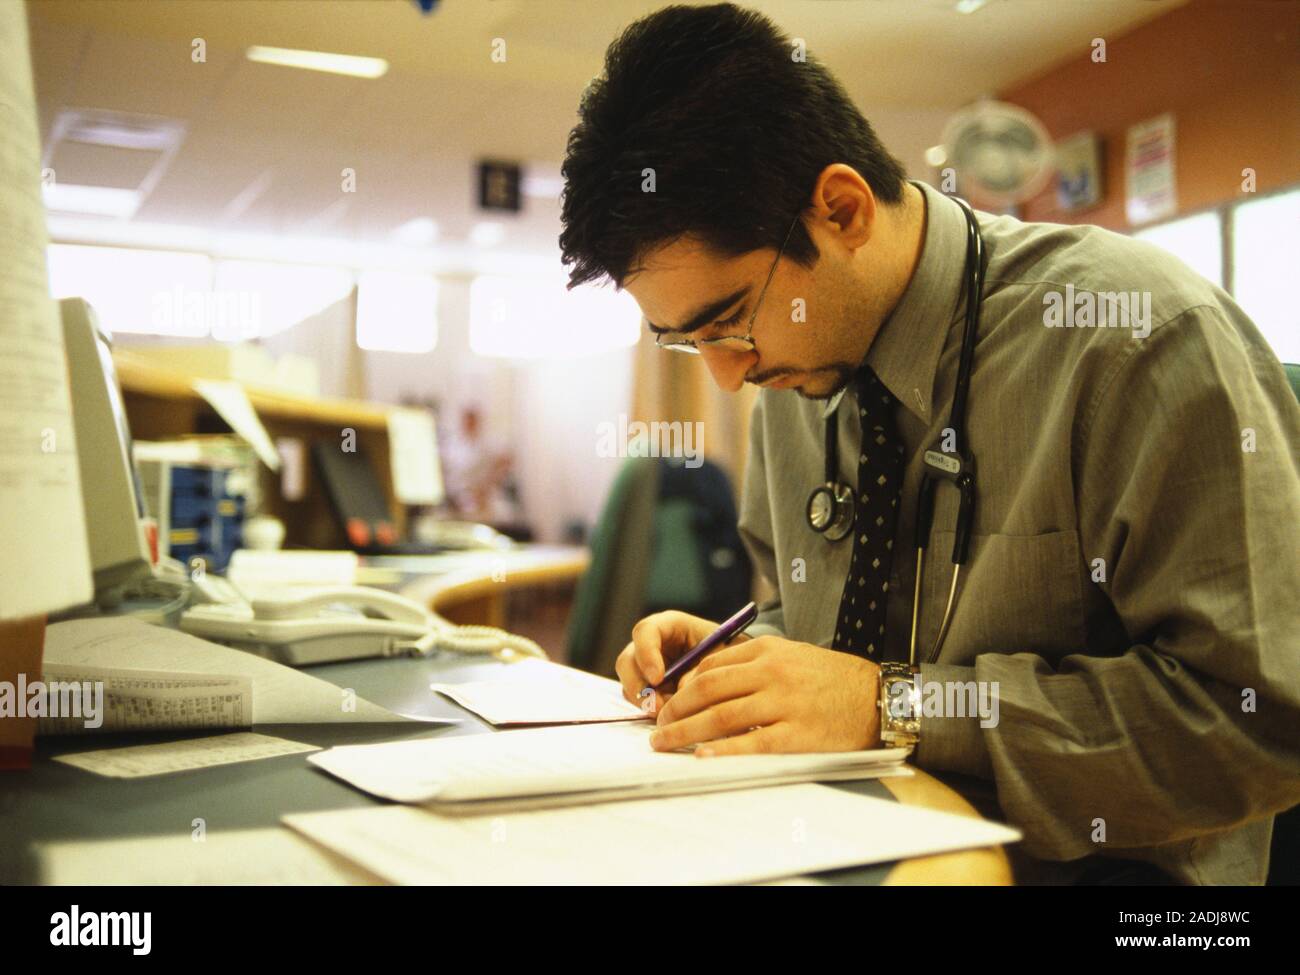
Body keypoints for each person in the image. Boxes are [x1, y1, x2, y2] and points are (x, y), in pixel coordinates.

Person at [558, 3, 1300, 884]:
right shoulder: (797, 370)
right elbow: (818, 622)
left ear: (841, 209)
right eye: (686, 341)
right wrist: (741, 661)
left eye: (729, 324)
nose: (727, 377)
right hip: (832, 842)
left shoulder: (1133, 339)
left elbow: (1261, 724)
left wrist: (898, 706)